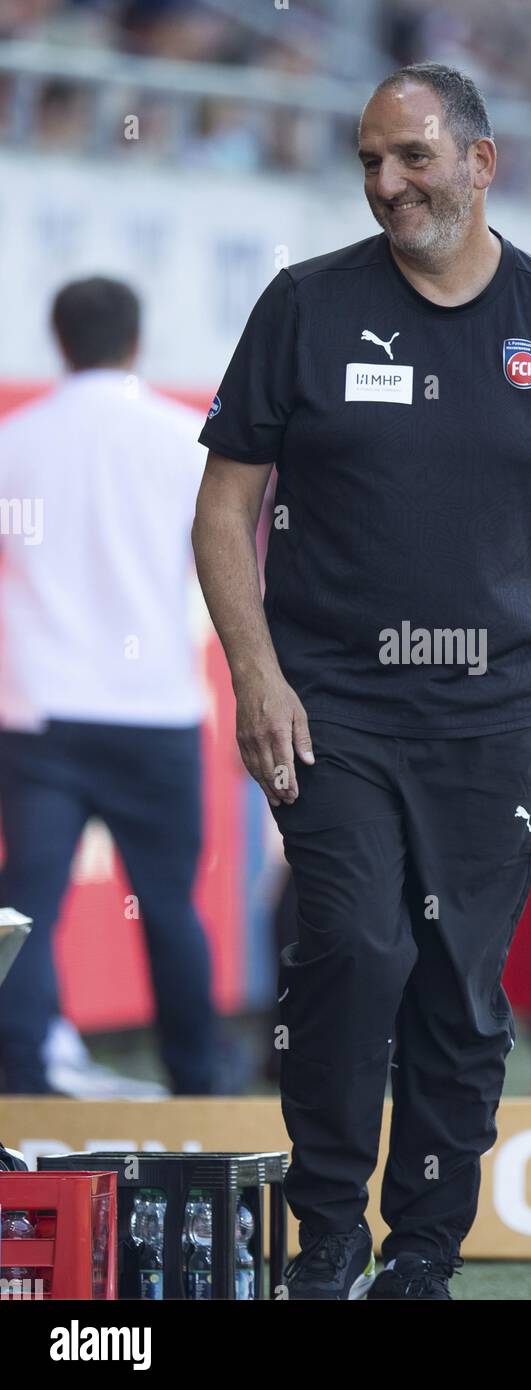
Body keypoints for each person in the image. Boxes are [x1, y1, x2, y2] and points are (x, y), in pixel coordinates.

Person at [192, 62, 531, 1300]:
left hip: (494, 712)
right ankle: (328, 1239)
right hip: (332, 705)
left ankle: (419, 1255)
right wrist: (255, 674)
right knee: (353, 947)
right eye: (367, 160)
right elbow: (224, 506)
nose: (385, 183)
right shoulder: (304, 306)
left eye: (409, 157)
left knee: (459, 985)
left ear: (478, 161)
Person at [0, 276, 218, 1096]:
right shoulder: (185, 437)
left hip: (38, 712)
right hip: (155, 710)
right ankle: (200, 1092)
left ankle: (18, 1090)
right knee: (169, 908)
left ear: (59, 342)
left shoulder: (15, 442)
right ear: (137, 340)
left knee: (26, 910)